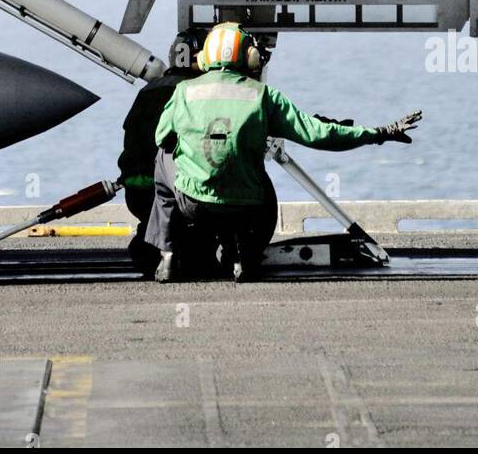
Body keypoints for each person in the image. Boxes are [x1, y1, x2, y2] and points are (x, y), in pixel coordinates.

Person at [146, 21, 423, 282]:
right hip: (248, 208)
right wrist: (379, 133)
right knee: (252, 173)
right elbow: (318, 134)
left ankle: (168, 257)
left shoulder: (184, 92)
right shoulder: (265, 96)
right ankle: (244, 257)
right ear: (250, 57)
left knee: (163, 158)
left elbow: (161, 137)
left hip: (194, 205)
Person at [118, 30, 205, 274]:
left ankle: (152, 242)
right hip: (176, 193)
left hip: (136, 190)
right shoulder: (197, 92)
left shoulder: (148, 91)